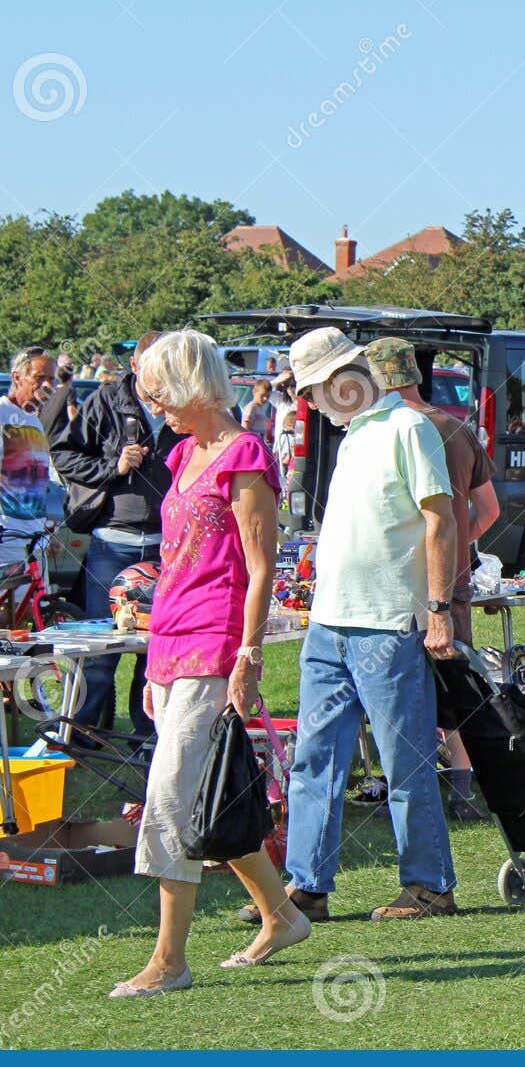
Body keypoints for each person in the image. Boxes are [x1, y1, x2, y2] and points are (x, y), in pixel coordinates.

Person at [109, 330, 308, 997]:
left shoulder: (245, 454)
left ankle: (169, 961)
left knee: (169, 799)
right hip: (169, 641)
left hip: (215, 643)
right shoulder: (181, 454)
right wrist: (151, 654)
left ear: (192, 384)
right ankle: (280, 914)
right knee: (201, 793)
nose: (156, 404)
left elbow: (260, 569)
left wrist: (248, 657)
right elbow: (174, 562)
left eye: (161, 391)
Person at [254, 325, 459, 923]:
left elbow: (440, 521)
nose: (311, 402)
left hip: (389, 624)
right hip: (330, 625)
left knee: (405, 761)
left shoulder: (409, 427)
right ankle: (307, 887)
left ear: (345, 380)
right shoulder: (356, 435)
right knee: (315, 760)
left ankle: (428, 886)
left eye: (315, 389)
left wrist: (439, 612)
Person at [367, 337, 500, 820]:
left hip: (397, 586)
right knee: (456, 685)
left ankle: (405, 787)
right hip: (453, 583)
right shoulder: (459, 430)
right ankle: (463, 789)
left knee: (398, 691)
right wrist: (457, 546)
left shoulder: (380, 431)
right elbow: (489, 509)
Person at [51, 330, 179, 736]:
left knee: (155, 647)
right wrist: (114, 466)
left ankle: (147, 736)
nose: (163, 379)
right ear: (137, 366)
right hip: (113, 541)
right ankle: (80, 738)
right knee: (101, 649)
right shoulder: (106, 400)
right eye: (156, 369)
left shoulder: (180, 402)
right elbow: (65, 454)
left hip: (167, 543)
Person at [0, 350, 54, 576]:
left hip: (35, 540)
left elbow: (36, 482)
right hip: (7, 539)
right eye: (40, 378)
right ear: (17, 377)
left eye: (52, 379)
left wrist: (46, 530)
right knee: (9, 610)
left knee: (37, 608)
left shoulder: (34, 420)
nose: (48, 385)